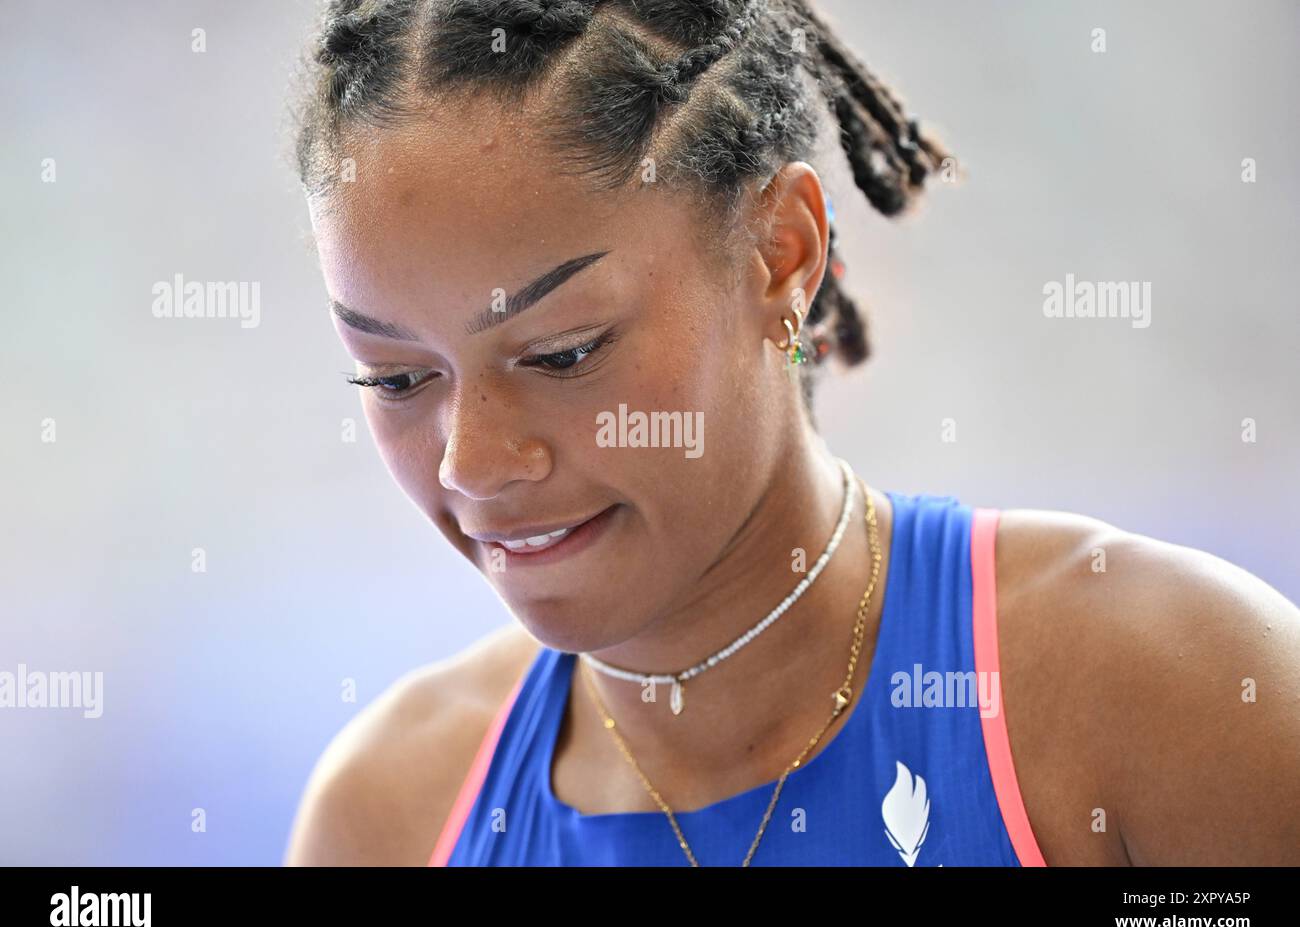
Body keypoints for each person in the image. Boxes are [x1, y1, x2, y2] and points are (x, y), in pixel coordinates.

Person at [283, 0, 1300, 866]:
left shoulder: (1168, 692)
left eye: (562, 354)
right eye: (396, 376)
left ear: (782, 252)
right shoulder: (389, 819)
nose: (473, 463)